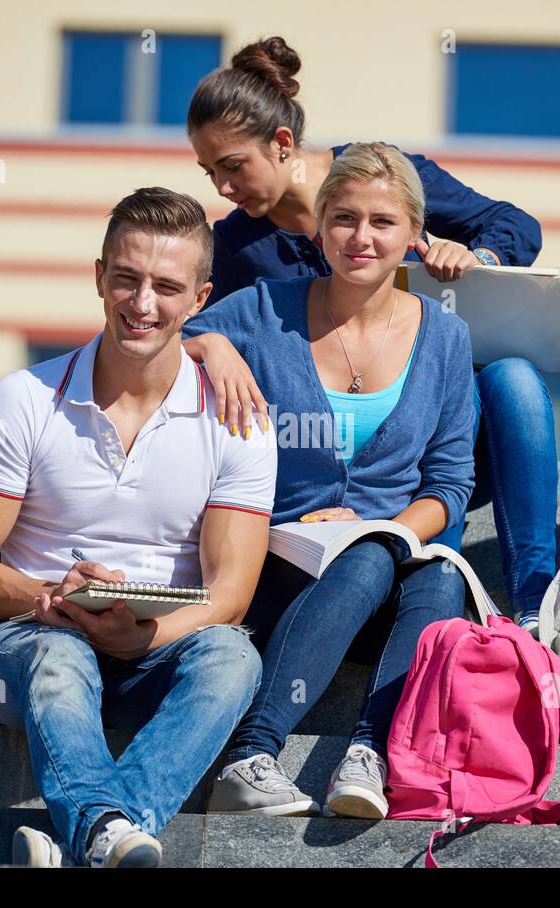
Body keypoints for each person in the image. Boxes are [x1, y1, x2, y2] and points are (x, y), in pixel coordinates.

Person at [0, 188, 277, 868]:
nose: (142, 303)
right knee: (59, 654)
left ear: (200, 297)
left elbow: (231, 594)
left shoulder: (238, 419)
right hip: (32, 638)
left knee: (234, 656)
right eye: (126, 278)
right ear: (99, 276)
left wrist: (143, 631)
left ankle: (89, 835)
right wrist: (50, 597)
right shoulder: (24, 399)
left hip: (160, 643)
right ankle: (106, 828)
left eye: (166, 287)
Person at [185, 36, 553, 629]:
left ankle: (535, 603)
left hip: (437, 436)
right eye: (211, 173)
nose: (223, 189)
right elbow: (184, 329)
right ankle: (435, 600)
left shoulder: (383, 175)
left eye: (232, 167)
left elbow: (513, 223)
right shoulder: (235, 246)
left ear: (282, 144)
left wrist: (476, 256)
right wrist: (211, 342)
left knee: (514, 380)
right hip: (324, 466)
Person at [183, 143, 475, 820]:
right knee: (376, 556)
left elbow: (450, 483)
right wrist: (210, 342)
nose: (361, 237)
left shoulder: (446, 338)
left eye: (381, 221)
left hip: (382, 571)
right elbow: (149, 336)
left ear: (412, 237)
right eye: (343, 218)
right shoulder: (263, 308)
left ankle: (368, 752)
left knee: (437, 574)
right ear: (318, 227)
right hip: (278, 565)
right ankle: (251, 754)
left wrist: (392, 532)